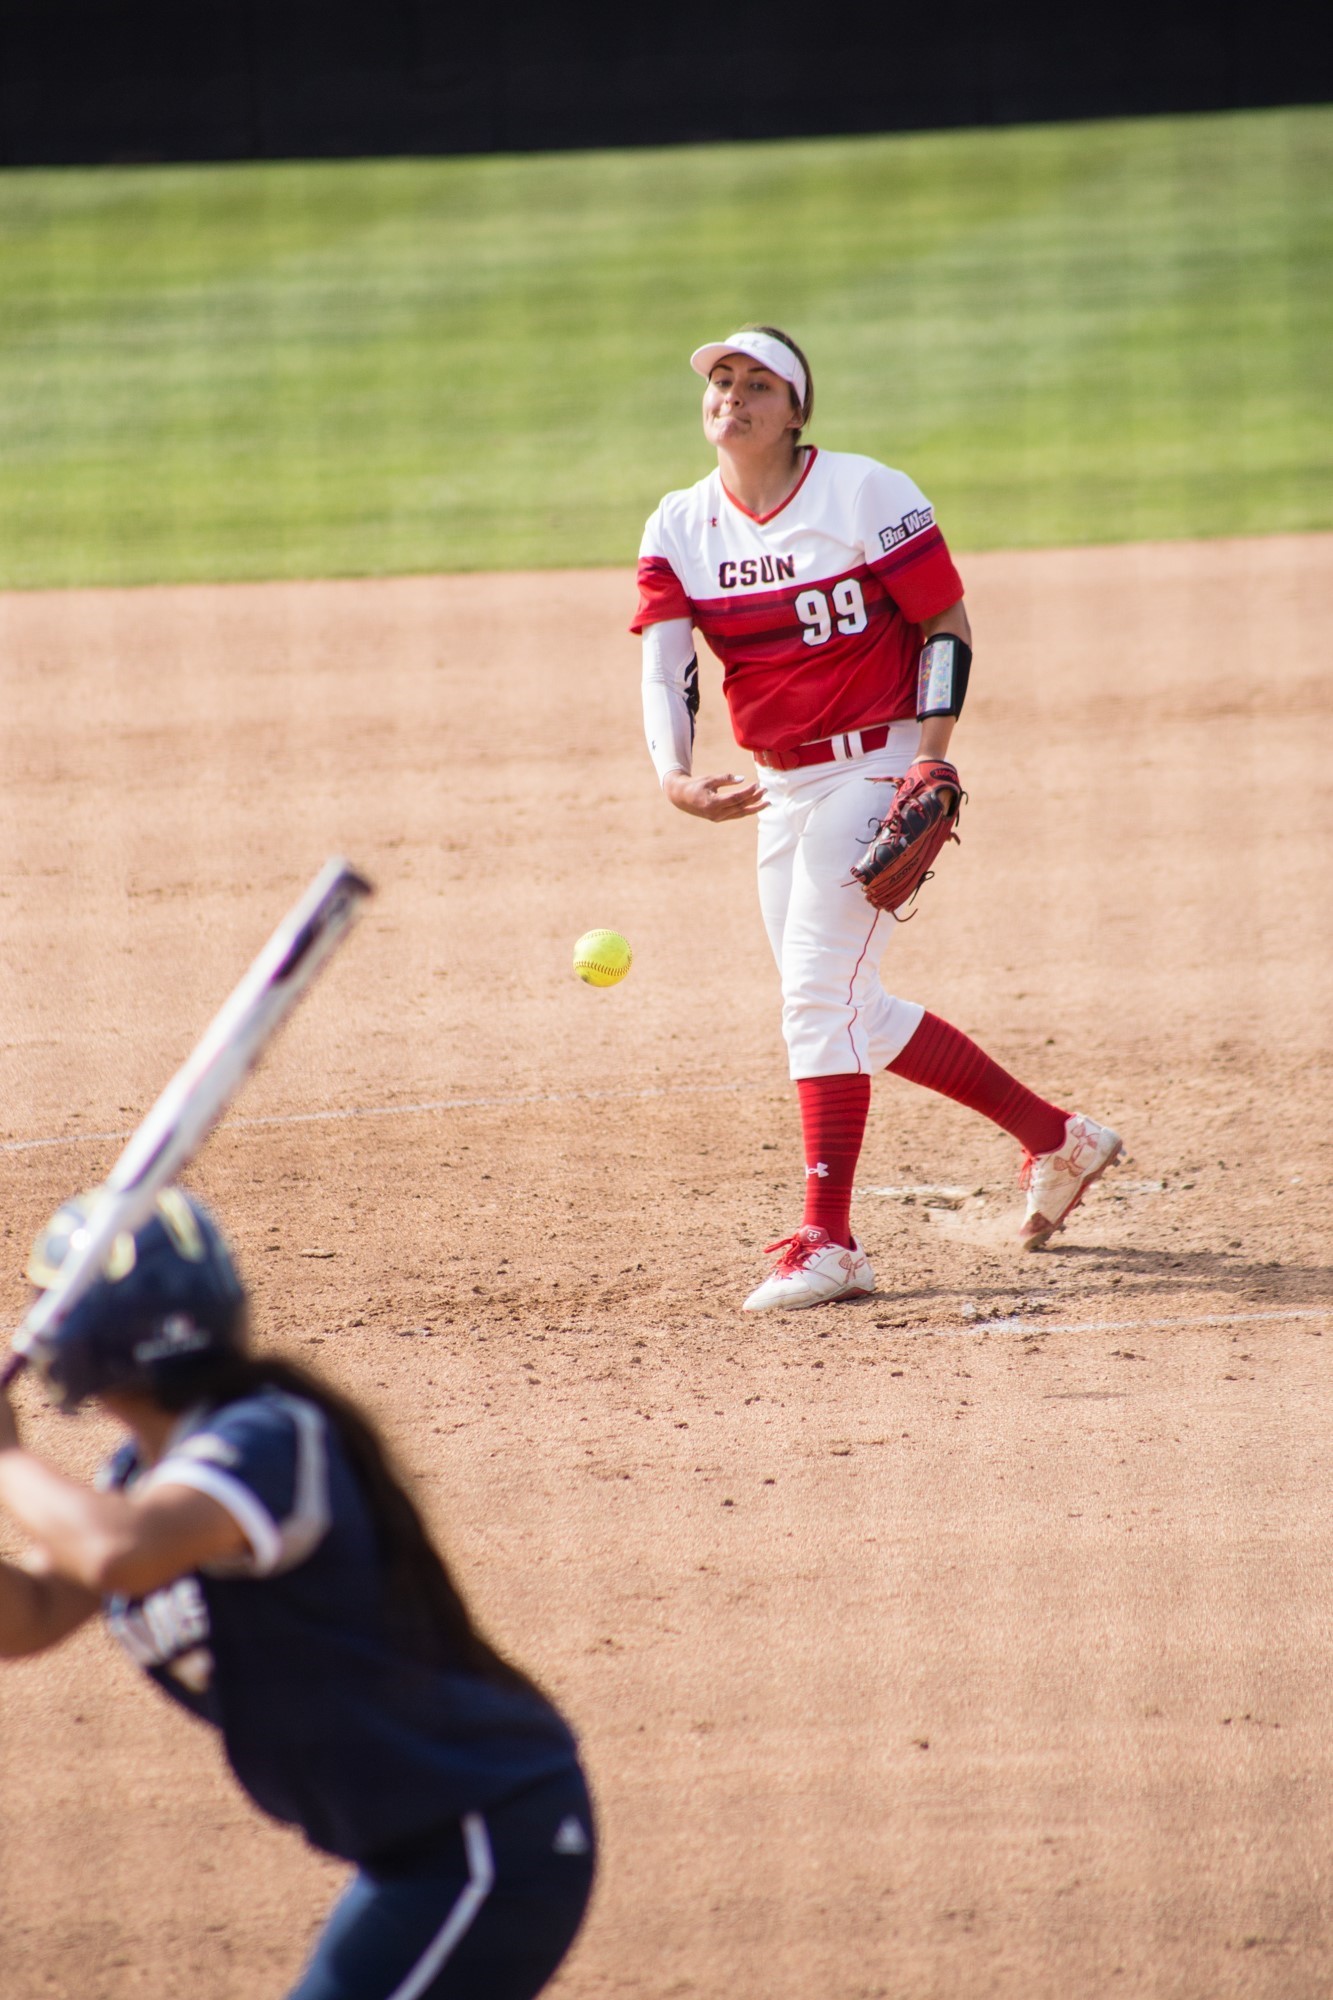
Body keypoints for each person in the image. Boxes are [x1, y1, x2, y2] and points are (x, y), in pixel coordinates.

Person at [0, 1188, 595, 1999]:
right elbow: (28, 1616)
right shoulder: (141, 1480)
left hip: (488, 1835)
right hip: (416, 1851)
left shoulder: (264, 1438)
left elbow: (117, 1554)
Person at [633, 324, 1121, 1311]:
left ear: (796, 408)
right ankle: (1059, 1138)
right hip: (780, 788)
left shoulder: (864, 492)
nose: (731, 394)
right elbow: (666, 663)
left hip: (879, 765)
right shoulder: (680, 525)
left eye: (757, 382)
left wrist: (928, 761)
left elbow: (946, 623)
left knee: (815, 997)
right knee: (849, 1004)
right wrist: (672, 776)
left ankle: (831, 1238)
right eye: (720, 379)